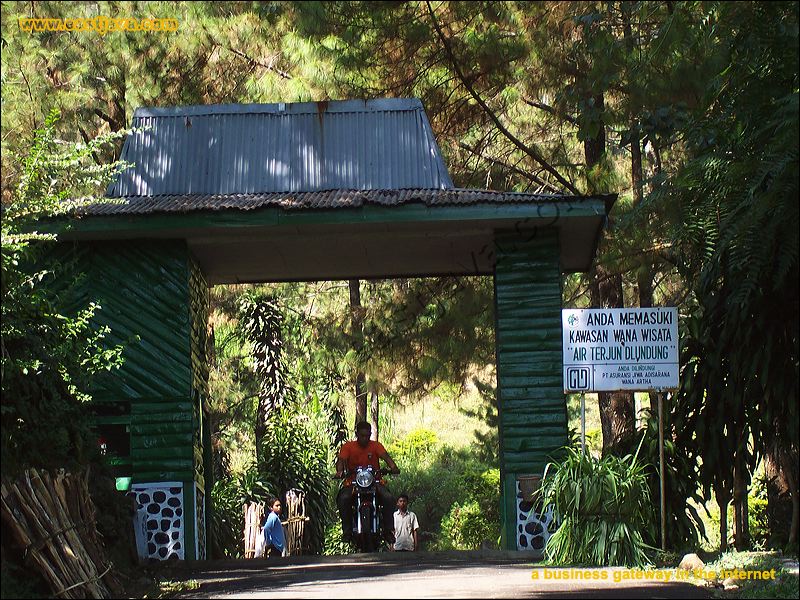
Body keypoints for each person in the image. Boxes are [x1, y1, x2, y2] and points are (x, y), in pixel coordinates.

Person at [335, 421, 400, 545]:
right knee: (343, 498)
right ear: (357, 434)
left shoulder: (376, 446)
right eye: (362, 436)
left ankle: (388, 530)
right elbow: (341, 459)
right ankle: (347, 531)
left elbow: (386, 457)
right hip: (353, 482)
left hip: (375, 481)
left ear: (370, 434)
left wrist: (393, 467)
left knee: (388, 497)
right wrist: (339, 471)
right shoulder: (348, 447)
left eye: (367, 436)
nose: (365, 439)